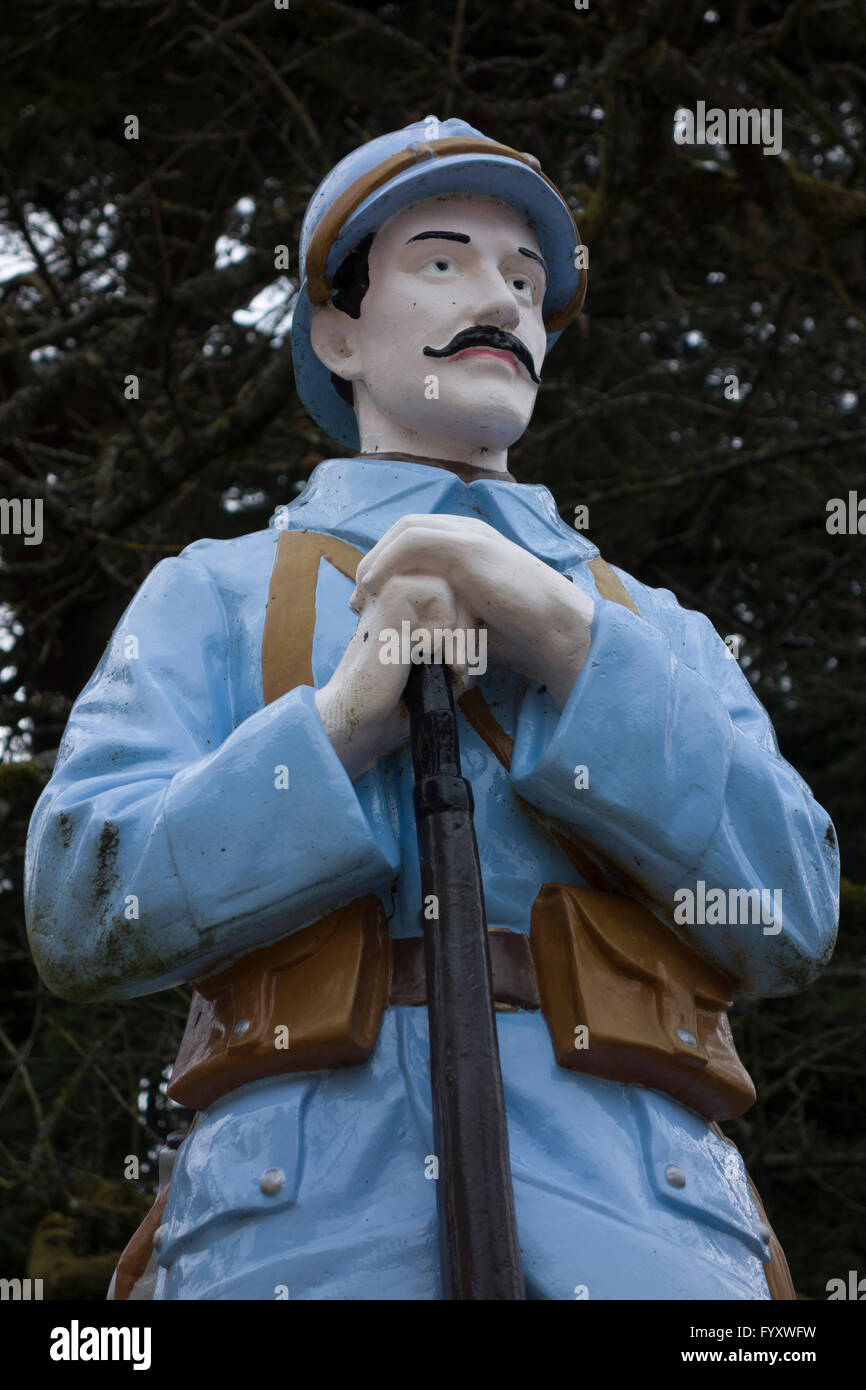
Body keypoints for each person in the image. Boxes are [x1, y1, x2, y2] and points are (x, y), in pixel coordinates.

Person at [25, 116, 839, 1300]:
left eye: (526, 282)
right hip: (290, 1243)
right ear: (337, 334)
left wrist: (570, 648)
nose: (501, 302)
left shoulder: (650, 626)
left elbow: (790, 912)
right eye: (444, 261)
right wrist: (341, 724)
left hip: (654, 1247)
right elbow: (80, 908)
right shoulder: (215, 592)